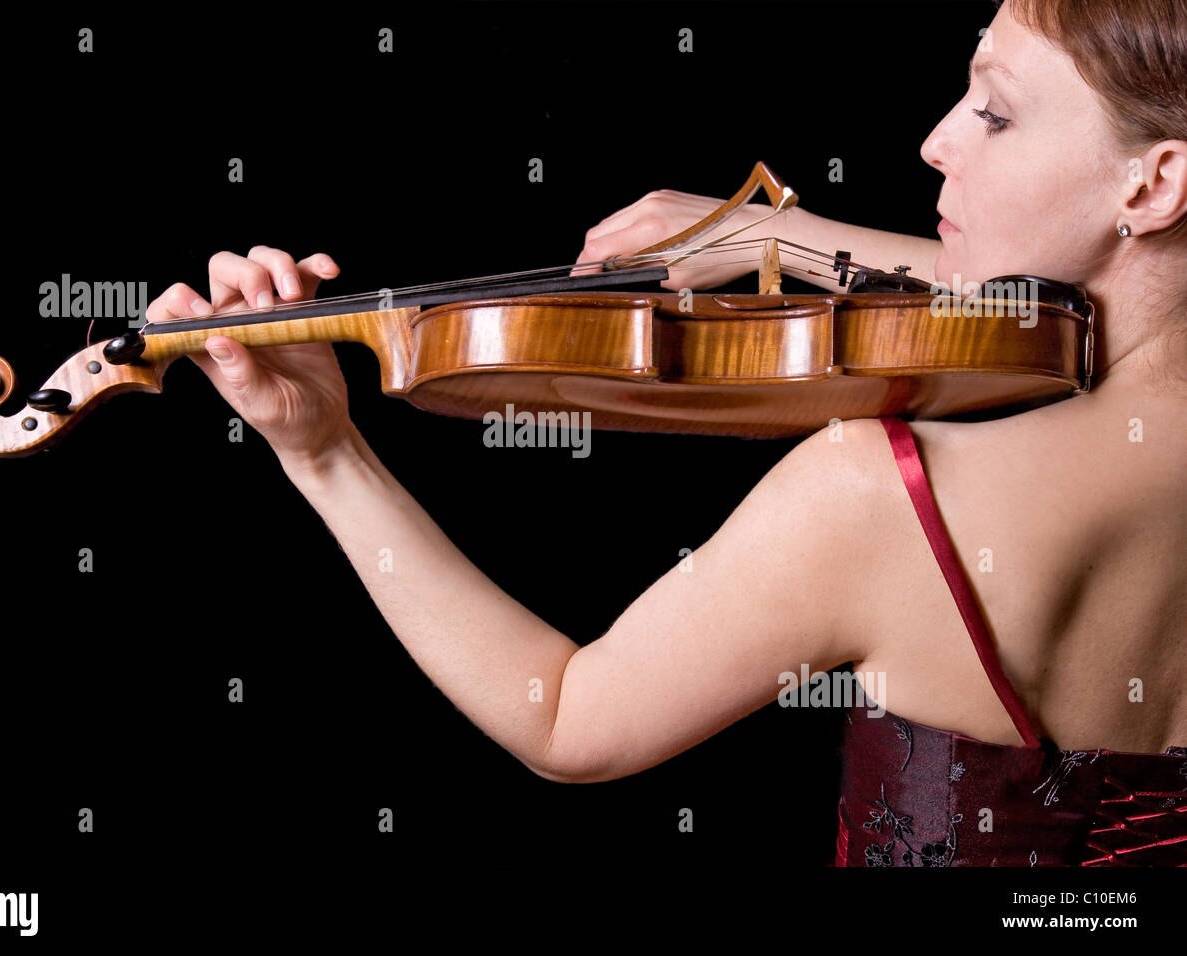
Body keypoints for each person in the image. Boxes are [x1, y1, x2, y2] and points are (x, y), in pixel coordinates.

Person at [145, 0, 1187, 865]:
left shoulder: (883, 495)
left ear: (1154, 184)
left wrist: (324, 451)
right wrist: (779, 234)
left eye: (994, 114)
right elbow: (1047, 304)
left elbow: (563, 720)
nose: (934, 140)